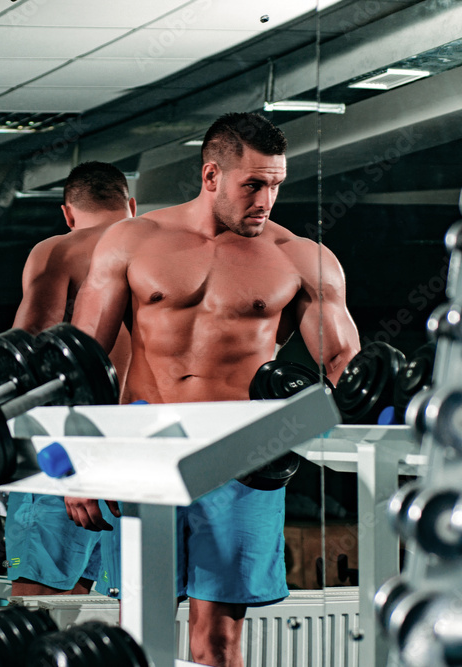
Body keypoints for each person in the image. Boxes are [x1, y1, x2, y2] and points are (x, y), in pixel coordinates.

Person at [67, 112, 360, 667]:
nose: (266, 199)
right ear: (211, 176)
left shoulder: (298, 258)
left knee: (219, 644)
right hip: (145, 454)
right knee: (139, 634)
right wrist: (78, 468)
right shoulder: (132, 241)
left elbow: (348, 363)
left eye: (276, 184)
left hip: (240, 462)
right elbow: (85, 357)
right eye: (253, 184)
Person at [7, 161, 135, 597]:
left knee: (39, 612)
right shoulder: (160, 251)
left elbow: (26, 359)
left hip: (68, 450)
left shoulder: (58, 250)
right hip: (137, 452)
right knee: (113, 623)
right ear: (131, 206)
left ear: (68, 213)